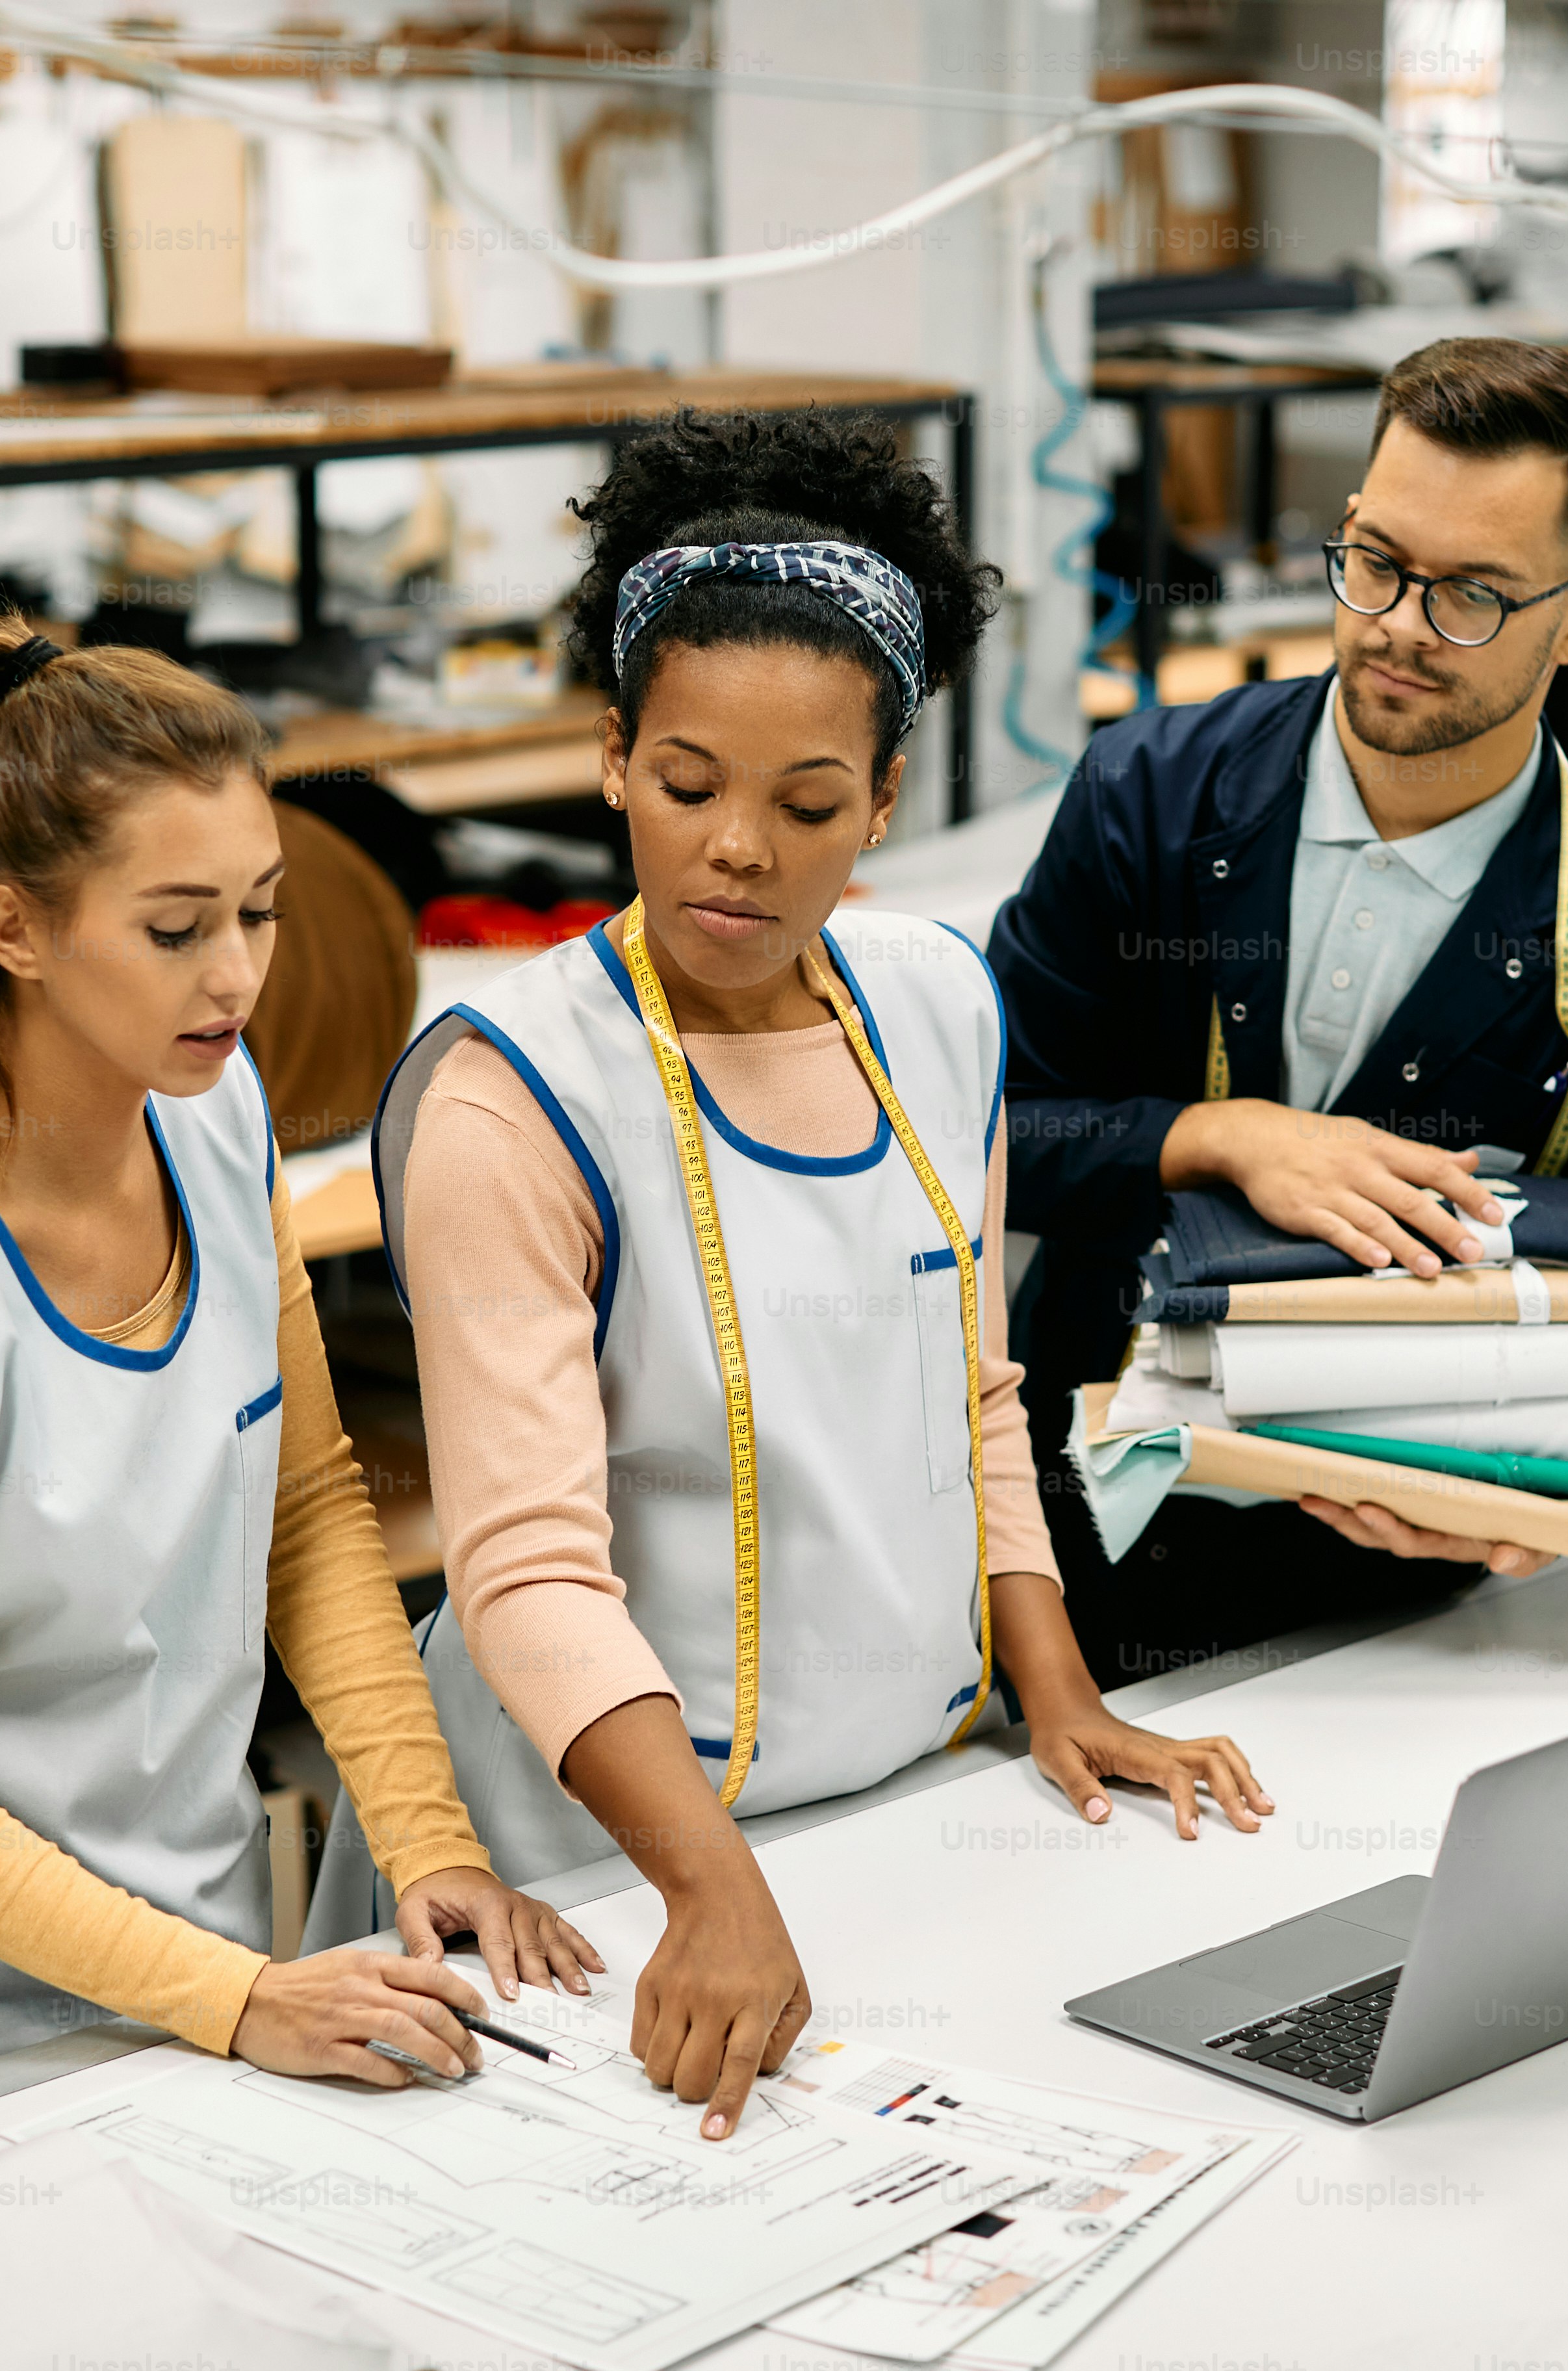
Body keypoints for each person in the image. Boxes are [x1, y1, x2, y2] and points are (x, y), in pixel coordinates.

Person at [353, 410, 1270, 2145]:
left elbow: (976, 1398)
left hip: (892, 1807)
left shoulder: (937, 1002)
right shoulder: (515, 1092)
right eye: (688, 786)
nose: (742, 852)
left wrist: (1061, 1696)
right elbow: (525, 1570)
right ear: (613, 755)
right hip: (603, 1855)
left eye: (810, 803)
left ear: (891, 798)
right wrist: (702, 1891)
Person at [0, 621, 596, 2154]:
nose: (237, 975)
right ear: (17, 929)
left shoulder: (219, 1121)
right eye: (176, 929)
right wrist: (242, 2001)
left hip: (193, 1938)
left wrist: (427, 1837)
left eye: (259, 911)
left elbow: (306, 1503)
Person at [990, 335, 1568, 1683]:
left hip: (1410, 1587)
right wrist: (1216, 1139)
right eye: (1377, 563)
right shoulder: (1148, 801)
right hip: (1063, 1530)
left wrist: (1539, 1512)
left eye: (1473, 594)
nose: (1403, 625)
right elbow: (979, 1140)